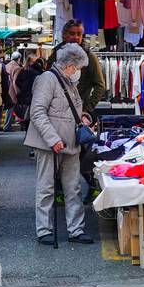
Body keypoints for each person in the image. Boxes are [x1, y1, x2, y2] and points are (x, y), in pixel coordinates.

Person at [25, 43, 93, 245]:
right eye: (78, 68)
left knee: (73, 188)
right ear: (70, 66)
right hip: (49, 145)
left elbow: (71, 109)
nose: (79, 72)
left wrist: (84, 117)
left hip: (70, 144)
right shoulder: (47, 79)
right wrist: (53, 138)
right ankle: (44, 230)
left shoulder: (69, 82)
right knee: (46, 188)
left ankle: (76, 230)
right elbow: (37, 112)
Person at [49, 20, 106, 200]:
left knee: (82, 155)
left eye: (78, 34)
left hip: (81, 115)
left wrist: (86, 109)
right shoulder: (55, 55)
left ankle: (93, 186)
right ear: (64, 34)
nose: (75, 37)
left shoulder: (89, 57)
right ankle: (59, 192)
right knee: (58, 153)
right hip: (58, 113)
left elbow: (100, 85)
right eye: (72, 33)